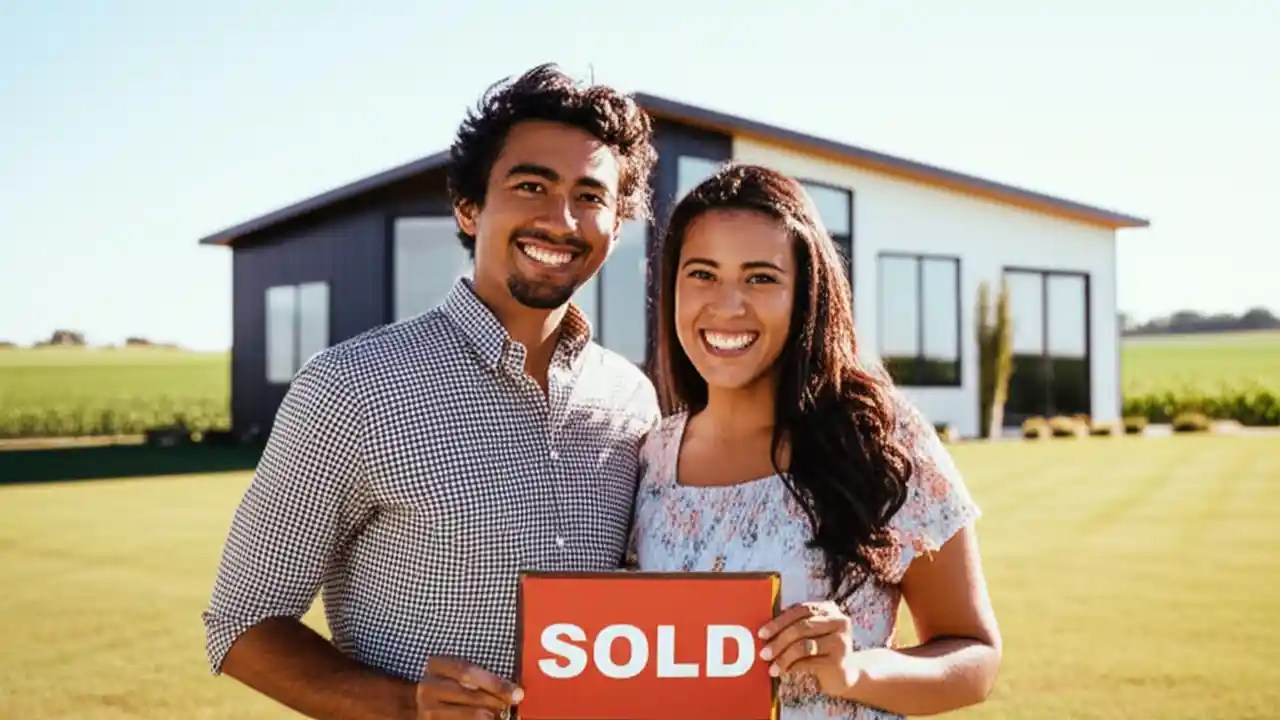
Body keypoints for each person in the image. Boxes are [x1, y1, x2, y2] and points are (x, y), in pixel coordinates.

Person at [202, 63, 660, 720]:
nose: (560, 219)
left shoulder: (632, 401)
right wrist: (406, 705)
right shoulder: (351, 387)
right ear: (469, 208)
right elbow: (242, 624)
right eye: (531, 185)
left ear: (615, 227)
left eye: (590, 196)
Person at [629, 163, 1002, 718]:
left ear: (806, 293)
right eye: (702, 274)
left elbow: (976, 657)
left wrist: (855, 669)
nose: (728, 305)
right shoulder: (649, 457)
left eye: (760, 277)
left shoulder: (880, 438)